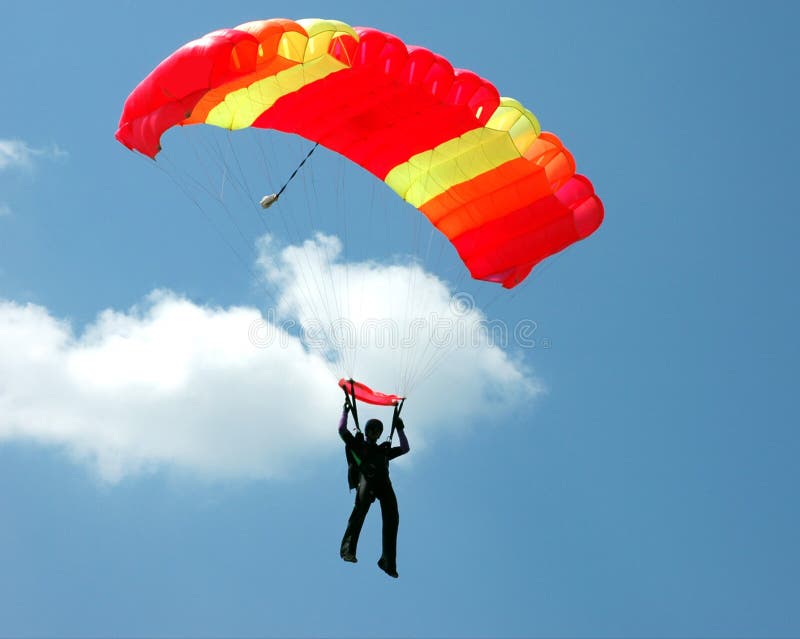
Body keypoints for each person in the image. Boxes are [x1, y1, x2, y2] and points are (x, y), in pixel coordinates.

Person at [338, 401, 410, 578]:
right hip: (367, 481)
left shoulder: (383, 450)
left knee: (392, 516)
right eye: (372, 429)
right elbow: (342, 431)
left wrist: (400, 428)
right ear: (367, 430)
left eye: (377, 430)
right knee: (360, 511)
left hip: (384, 484)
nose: (374, 432)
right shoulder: (358, 444)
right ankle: (348, 550)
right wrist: (345, 413)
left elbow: (404, 448)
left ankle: (387, 561)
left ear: (379, 434)